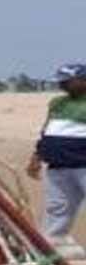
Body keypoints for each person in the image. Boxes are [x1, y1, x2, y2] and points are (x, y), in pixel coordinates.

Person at [27, 63, 86, 242]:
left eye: (67, 82)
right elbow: (47, 130)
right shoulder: (57, 103)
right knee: (57, 206)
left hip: (83, 163)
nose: (62, 86)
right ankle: (53, 244)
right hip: (57, 165)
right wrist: (37, 156)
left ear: (83, 81)